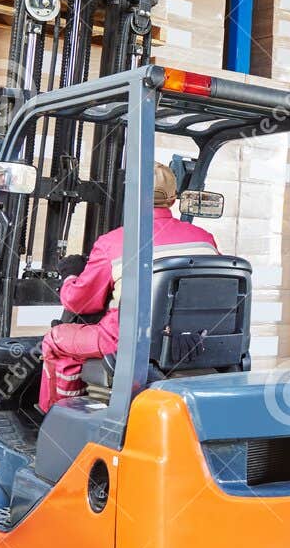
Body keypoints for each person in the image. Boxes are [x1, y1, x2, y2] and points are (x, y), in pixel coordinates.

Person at [38, 162, 218, 411]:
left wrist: (70, 276)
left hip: (128, 341)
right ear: (174, 200)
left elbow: (78, 302)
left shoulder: (114, 243)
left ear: (131, 196)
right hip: (193, 341)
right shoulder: (205, 240)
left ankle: (61, 418)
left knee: (57, 339)